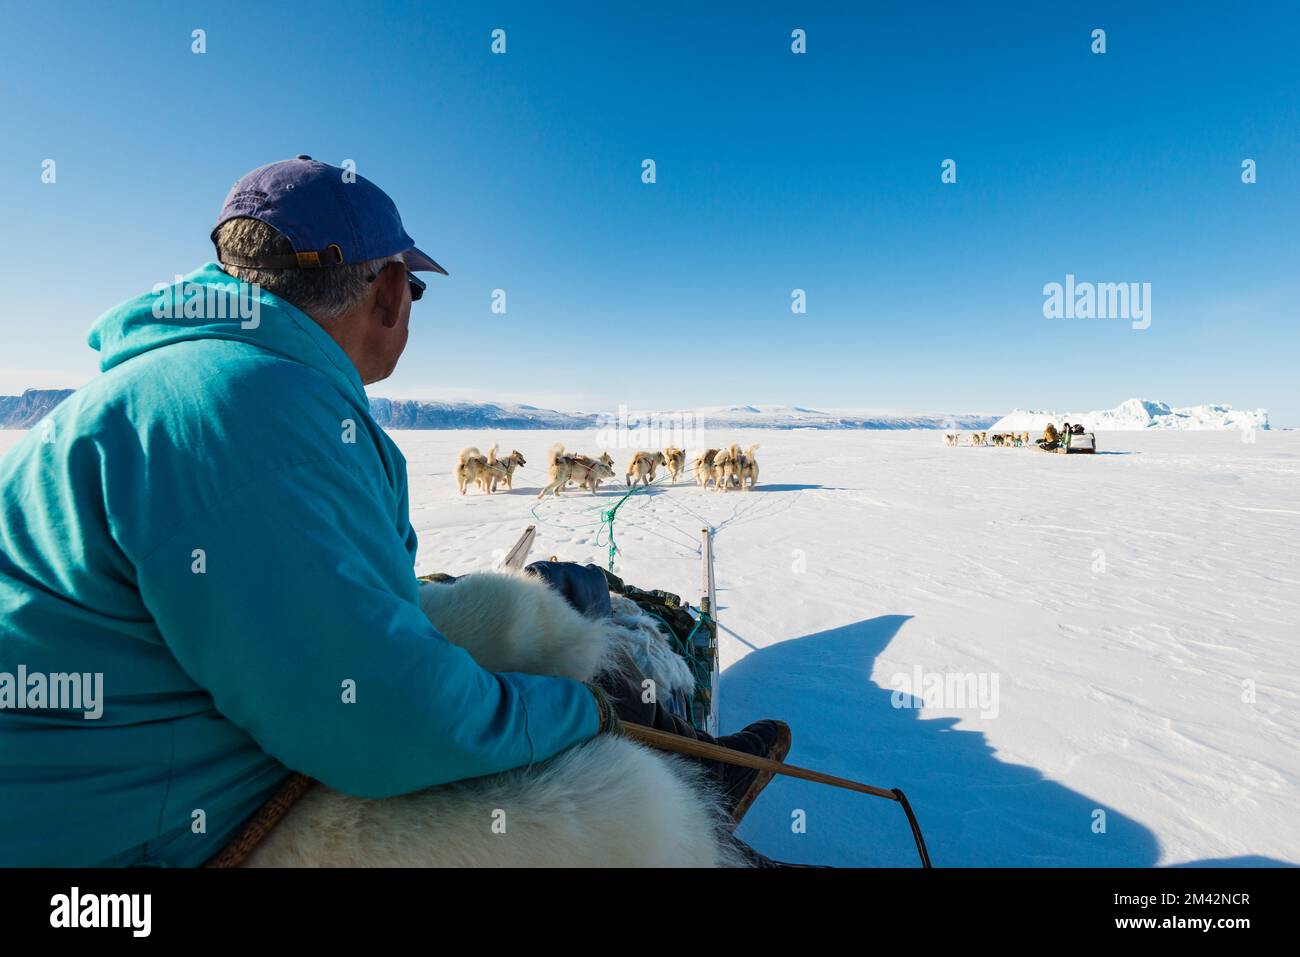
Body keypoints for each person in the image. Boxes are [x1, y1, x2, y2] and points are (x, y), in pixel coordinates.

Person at [0, 157, 784, 867]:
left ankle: (692, 760)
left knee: (509, 612)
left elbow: (335, 622)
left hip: (181, 750)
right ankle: (693, 827)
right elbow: (377, 725)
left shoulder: (217, 378)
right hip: (150, 836)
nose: (410, 305)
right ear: (383, 291)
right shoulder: (246, 411)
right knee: (612, 805)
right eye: (414, 287)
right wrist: (574, 714)